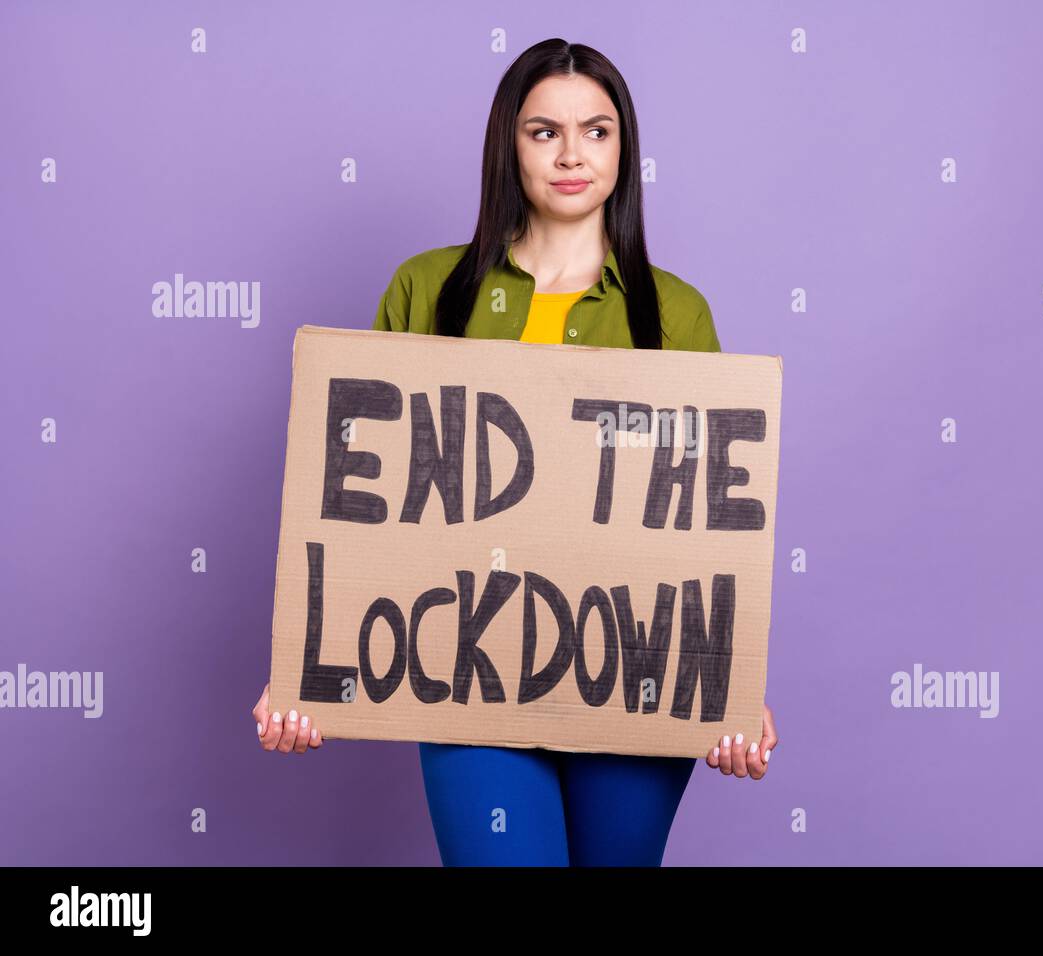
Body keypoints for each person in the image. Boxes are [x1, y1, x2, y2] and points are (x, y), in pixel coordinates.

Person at [251, 38, 778, 866]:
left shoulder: (678, 314)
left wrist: (732, 685)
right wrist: (307, 663)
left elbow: (701, 526)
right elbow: (363, 503)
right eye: (545, 132)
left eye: (596, 131)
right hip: (468, 677)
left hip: (630, 679)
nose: (573, 154)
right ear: (510, 145)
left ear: (624, 148)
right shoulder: (426, 289)